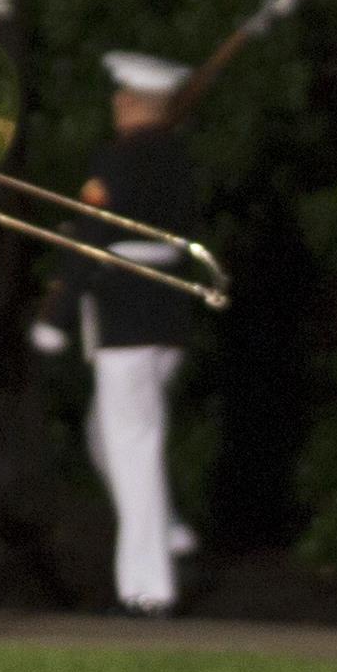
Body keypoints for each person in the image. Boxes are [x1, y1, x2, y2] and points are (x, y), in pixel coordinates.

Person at [36, 53, 207, 614]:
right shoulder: (183, 159)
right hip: (168, 314)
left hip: (125, 316)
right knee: (109, 439)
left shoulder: (116, 159)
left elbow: (91, 239)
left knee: (132, 447)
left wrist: (56, 316)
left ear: (131, 101)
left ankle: (148, 585)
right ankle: (169, 534)